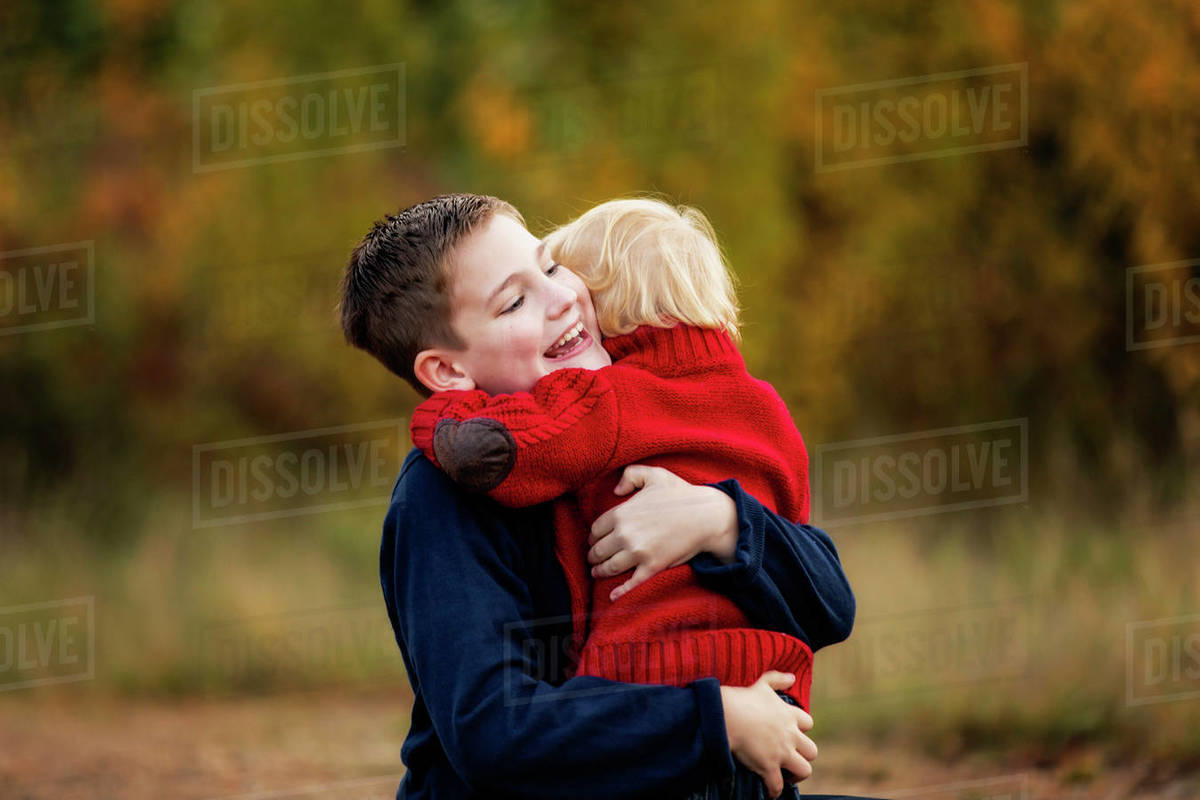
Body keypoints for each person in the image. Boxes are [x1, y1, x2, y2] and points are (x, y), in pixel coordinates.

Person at [341, 194, 862, 799]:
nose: (563, 297)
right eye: (515, 301)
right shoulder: (442, 495)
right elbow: (493, 729)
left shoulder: (632, 427)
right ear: (449, 375)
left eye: (553, 267)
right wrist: (716, 719)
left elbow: (831, 608)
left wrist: (719, 520)